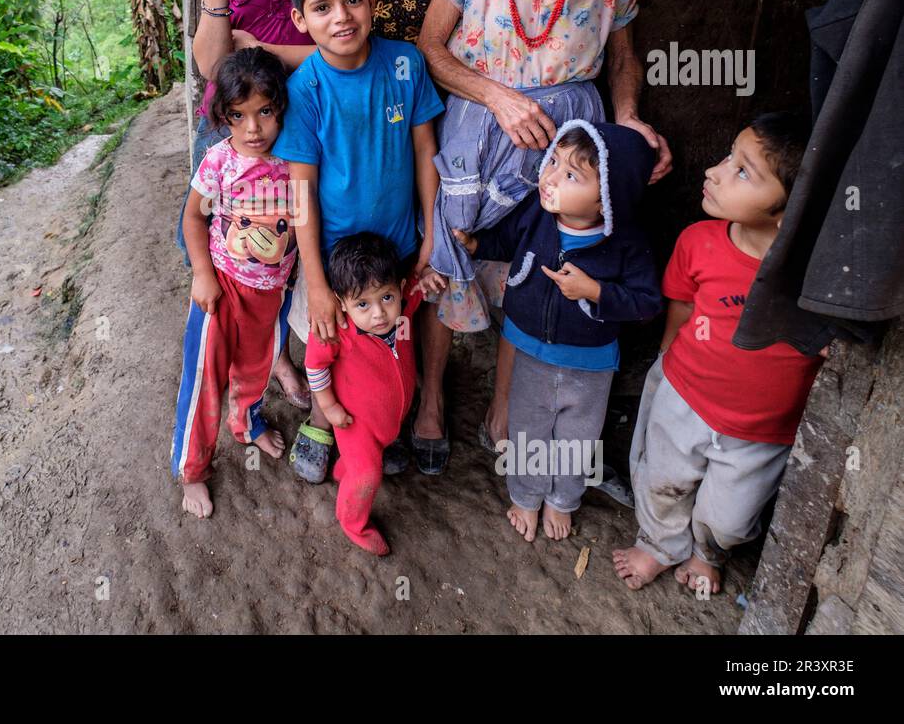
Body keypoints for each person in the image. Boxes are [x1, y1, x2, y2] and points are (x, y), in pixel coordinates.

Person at [416, 0, 671, 477]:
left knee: (534, 267)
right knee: (456, 250)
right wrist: (499, 98)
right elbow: (433, 51)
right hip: (481, 127)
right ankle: (432, 398)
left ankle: (504, 408)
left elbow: (622, 55)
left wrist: (626, 121)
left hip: (565, 139)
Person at [613, 113, 825, 594]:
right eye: (730, 156)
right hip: (685, 393)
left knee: (731, 516)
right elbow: (683, 305)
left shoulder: (813, 279)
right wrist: (666, 361)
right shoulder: (699, 242)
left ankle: (709, 551)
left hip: (762, 427)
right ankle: (659, 544)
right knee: (662, 479)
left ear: (787, 211)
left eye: (743, 170)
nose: (714, 171)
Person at [270, 0, 444, 484]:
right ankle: (325, 421)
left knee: (386, 337)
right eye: (322, 8)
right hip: (334, 256)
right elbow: (301, 190)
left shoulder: (405, 63)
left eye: (352, 1)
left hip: (396, 247)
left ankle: (377, 423)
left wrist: (432, 231)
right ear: (301, 19)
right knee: (329, 337)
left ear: (372, 0)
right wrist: (317, 282)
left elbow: (425, 152)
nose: (341, 17)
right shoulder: (305, 89)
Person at [455, 120, 659, 541]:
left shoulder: (626, 243)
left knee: (576, 440)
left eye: (571, 175)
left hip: (590, 366)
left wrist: (596, 291)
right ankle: (526, 497)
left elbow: (647, 302)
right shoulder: (539, 215)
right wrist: (478, 245)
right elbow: (509, 238)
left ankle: (563, 501)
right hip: (530, 354)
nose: (549, 178)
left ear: (608, 199)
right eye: (554, 163)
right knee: (528, 430)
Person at [175, 0, 316, 408]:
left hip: (298, 131)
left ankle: (276, 345)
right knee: (222, 245)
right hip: (232, 132)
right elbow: (212, 64)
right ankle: (253, 359)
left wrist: (263, 48)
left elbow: (344, 50)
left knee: (287, 248)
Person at [170, 48, 299, 519]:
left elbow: (304, 222)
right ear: (223, 117)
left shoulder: (294, 158)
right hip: (221, 290)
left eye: (265, 111)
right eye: (239, 116)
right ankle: (194, 469)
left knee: (255, 370)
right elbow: (191, 218)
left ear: (280, 108)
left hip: (272, 293)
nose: (253, 129)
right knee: (205, 378)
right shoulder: (218, 161)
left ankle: (246, 423)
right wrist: (203, 274)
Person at [306, 233, 435, 554]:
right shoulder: (337, 331)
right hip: (355, 423)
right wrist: (329, 405)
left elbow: (417, 287)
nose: (378, 314)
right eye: (362, 304)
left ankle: (342, 471)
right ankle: (353, 523)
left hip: (388, 423)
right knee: (367, 475)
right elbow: (314, 366)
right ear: (341, 303)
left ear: (398, 289)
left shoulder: (403, 309)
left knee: (362, 463)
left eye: (386, 298)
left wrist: (430, 279)